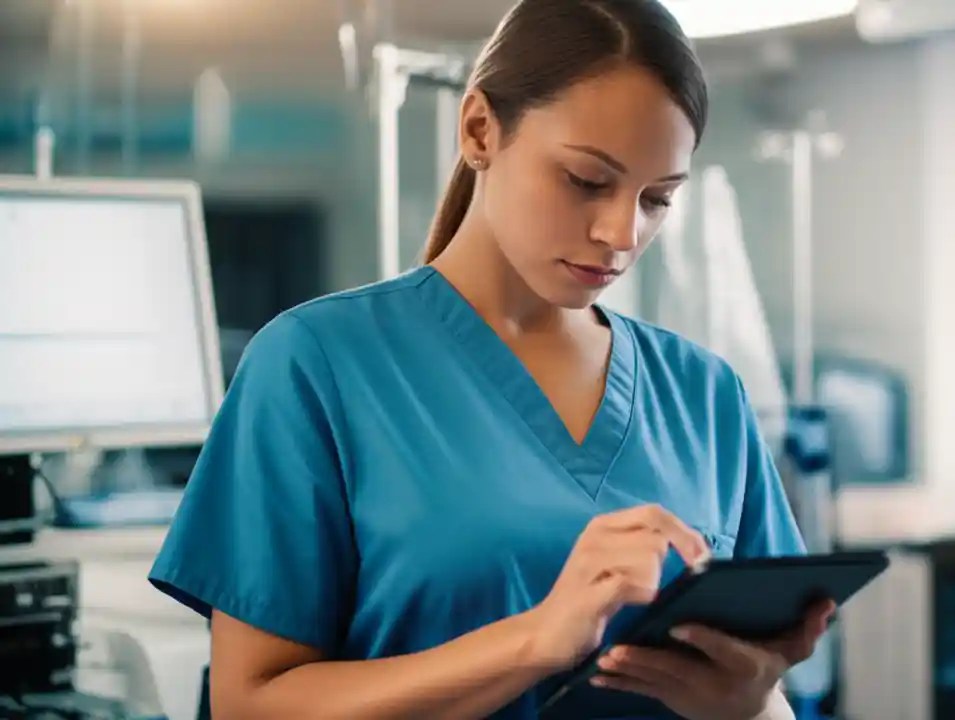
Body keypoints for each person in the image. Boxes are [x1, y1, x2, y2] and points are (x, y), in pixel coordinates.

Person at [148, 1, 834, 718]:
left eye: (656, 199)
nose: (621, 233)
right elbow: (250, 704)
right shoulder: (316, 366)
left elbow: (769, 696)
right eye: (586, 181)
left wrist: (748, 705)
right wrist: (537, 640)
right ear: (480, 129)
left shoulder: (703, 394)